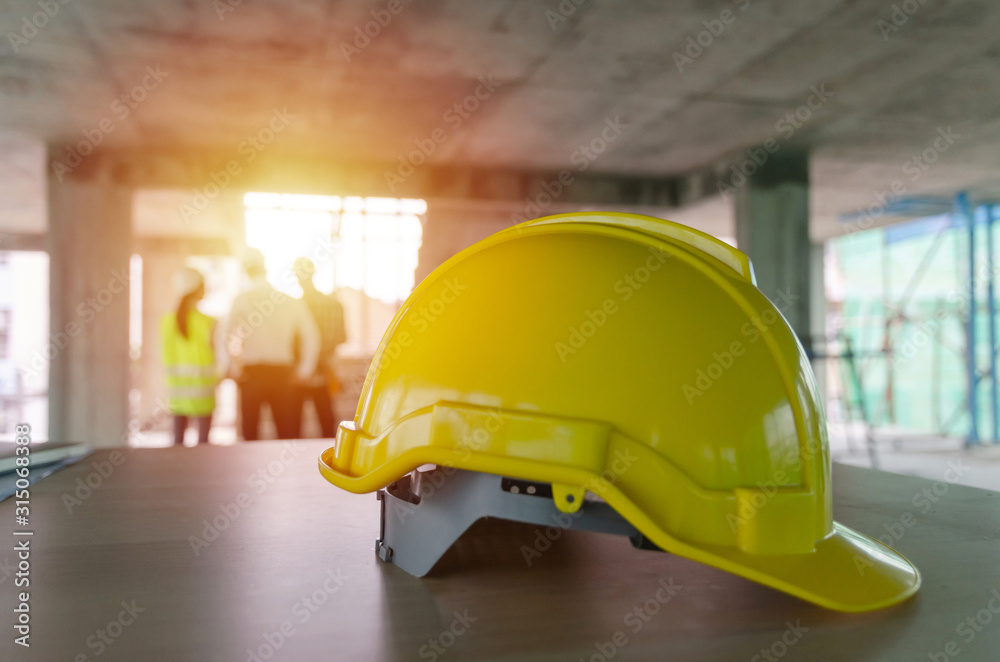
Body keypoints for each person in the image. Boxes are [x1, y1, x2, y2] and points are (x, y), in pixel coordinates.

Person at [225, 248, 320, 440]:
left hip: (251, 375)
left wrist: (233, 369)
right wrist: (304, 371)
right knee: (288, 433)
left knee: (250, 436)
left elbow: (224, 334)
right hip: (283, 375)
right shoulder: (289, 301)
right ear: (265, 268)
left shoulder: (241, 300)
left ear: (245, 270)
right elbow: (312, 335)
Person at [161, 267, 216, 446]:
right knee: (203, 446)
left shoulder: (166, 322)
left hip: (177, 393)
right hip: (204, 393)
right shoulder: (208, 322)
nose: (205, 288)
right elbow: (217, 354)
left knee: (177, 444)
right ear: (195, 288)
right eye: (203, 285)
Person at [293, 257, 347, 438]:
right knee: (326, 420)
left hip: (299, 372)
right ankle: (329, 459)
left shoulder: (294, 307)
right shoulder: (334, 305)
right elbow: (342, 337)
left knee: (293, 423)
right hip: (325, 371)